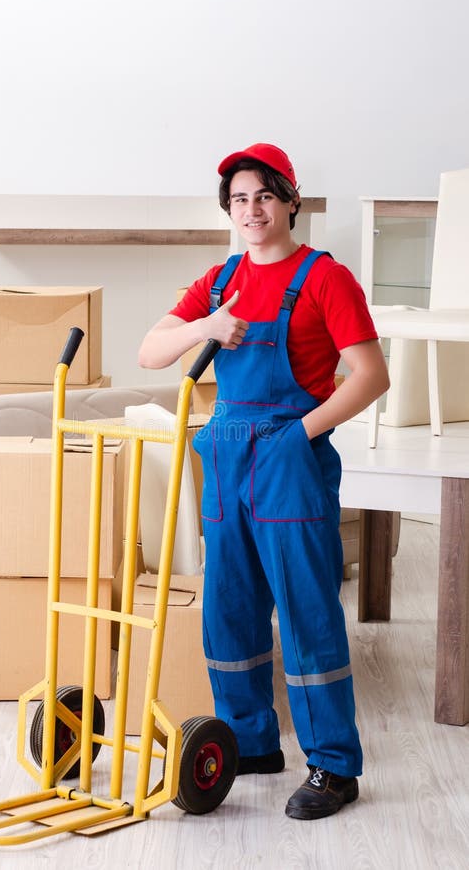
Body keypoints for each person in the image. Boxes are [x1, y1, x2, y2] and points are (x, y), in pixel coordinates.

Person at [138, 143, 389, 820]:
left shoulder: (324, 278)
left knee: (307, 611)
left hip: (289, 456)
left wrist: (297, 435)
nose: (252, 210)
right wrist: (205, 325)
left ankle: (334, 767)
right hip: (223, 455)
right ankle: (251, 742)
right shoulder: (219, 282)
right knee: (229, 607)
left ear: (289, 201)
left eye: (265, 196)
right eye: (240, 199)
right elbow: (150, 349)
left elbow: (371, 376)